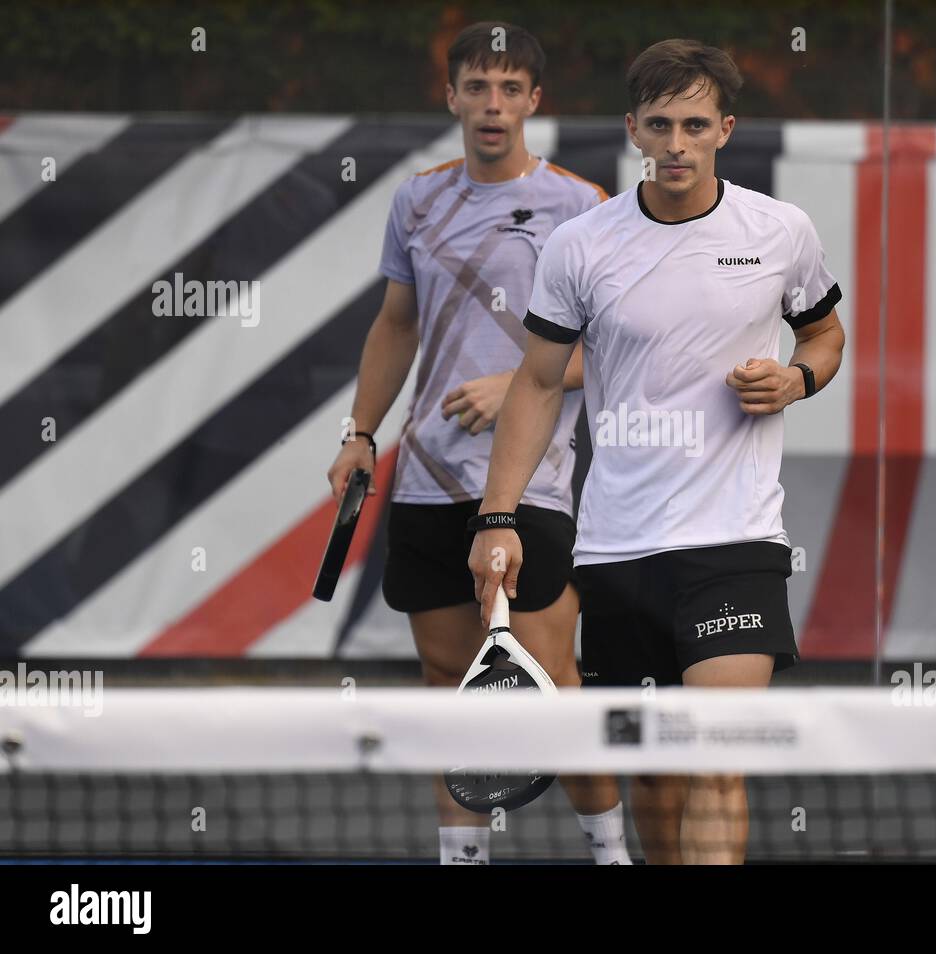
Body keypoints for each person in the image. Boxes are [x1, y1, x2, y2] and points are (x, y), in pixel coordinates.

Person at [467, 38, 846, 864]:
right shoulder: (581, 245)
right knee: (658, 774)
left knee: (715, 761)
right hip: (619, 548)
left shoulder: (781, 232)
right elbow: (538, 383)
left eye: (696, 125)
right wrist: (498, 519)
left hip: (737, 541)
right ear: (633, 128)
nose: (678, 144)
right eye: (662, 125)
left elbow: (824, 334)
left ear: (725, 130)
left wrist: (796, 379)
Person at [326, 20, 629, 866]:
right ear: (452, 96)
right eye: (478, 87)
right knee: (447, 688)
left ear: (534, 101)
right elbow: (396, 325)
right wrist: (360, 433)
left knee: (555, 686)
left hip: (532, 484)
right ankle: (462, 859)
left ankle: (611, 857)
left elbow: (612, 347)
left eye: (509, 89)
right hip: (427, 481)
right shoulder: (416, 200)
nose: (493, 104)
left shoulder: (582, 205)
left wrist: (517, 383)